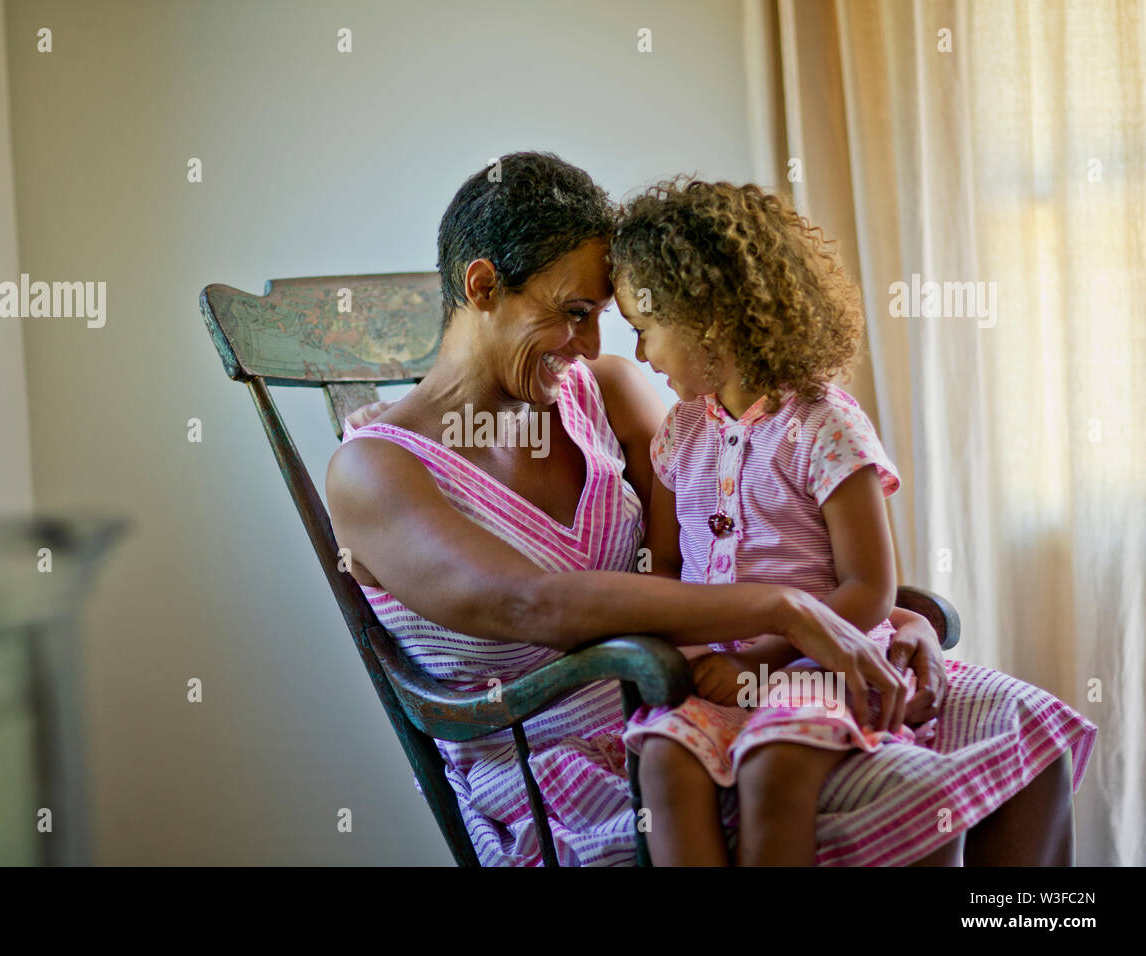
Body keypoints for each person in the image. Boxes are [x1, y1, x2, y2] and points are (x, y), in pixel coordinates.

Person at [327, 151, 1095, 866]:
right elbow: (530, 601)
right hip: (575, 772)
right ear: (484, 286)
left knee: (1025, 739)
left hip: (721, 691)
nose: (595, 346)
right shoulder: (374, 470)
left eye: (609, 315)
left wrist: (889, 618)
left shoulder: (609, 395)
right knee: (913, 785)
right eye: (574, 312)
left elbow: (745, 516)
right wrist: (792, 613)